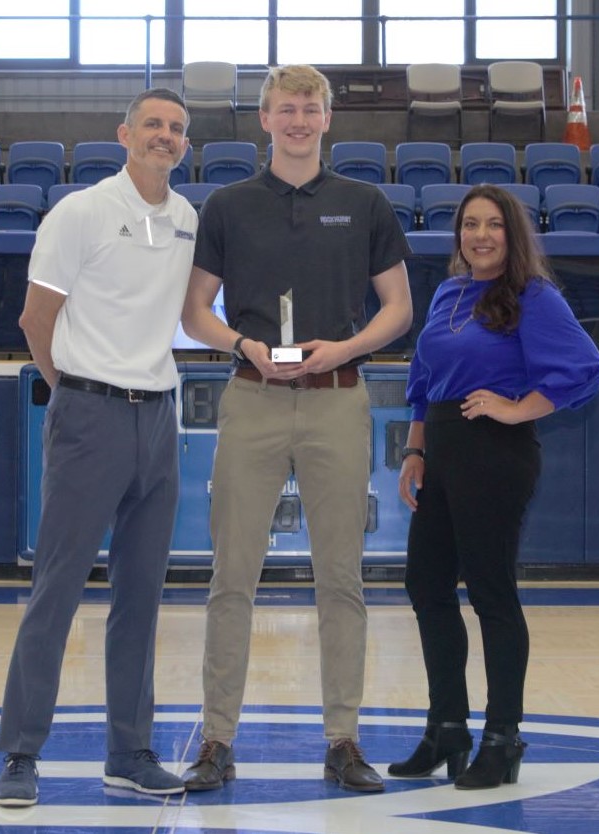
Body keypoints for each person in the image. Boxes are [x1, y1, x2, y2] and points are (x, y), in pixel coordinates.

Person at [179, 64, 413, 794]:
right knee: (231, 577)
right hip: (250, 397)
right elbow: (194, 315)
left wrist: (344, 349)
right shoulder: (228, 205)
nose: (299, 120)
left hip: (338, 398)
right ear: (263, 118)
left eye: (310, 108)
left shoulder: (364, 202)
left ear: (327, 117)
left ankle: (342, 740)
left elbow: (398, 308)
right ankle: (217, 739)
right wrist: (241, 346)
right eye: (286, 108)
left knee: (341, 577)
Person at [0, 88, 198, 807]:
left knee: (140, 597)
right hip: (90, 415)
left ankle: (129, 751)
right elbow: (34, 317)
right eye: (152, 124)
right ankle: (20, 753)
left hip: (158, 421)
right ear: (124, 134)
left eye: (175, 128)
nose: (164, 137)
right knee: (57, 589)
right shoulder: (78, 212)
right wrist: (75, 391)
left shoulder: (186, 219)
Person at [389, 184, 599, 790]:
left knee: (491, 594)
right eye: (469, 224)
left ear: (512, 233)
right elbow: (425, 379)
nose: (479, 235)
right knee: (426, 586)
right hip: (444, 451)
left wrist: (517, 409)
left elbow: (583, 369)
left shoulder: (534, 297)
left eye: (492, 225)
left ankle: (503, 738)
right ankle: (446, 728)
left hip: (494, 454)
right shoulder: (449, 293)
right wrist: (415, 447)